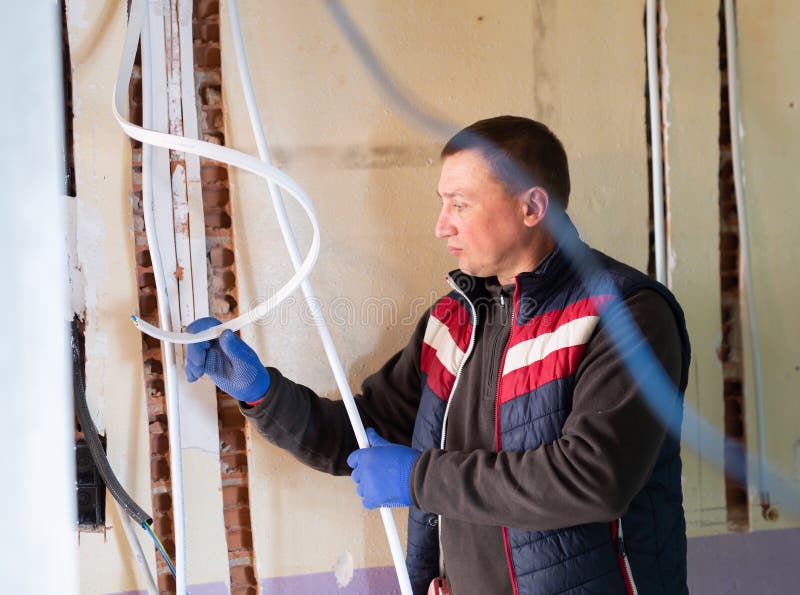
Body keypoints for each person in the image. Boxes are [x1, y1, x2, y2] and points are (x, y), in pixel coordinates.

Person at [185, 116, 691, 595]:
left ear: (531, 207)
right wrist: (262, 394)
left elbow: (592, 479)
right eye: (442, 203)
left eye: (460, 204)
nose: (441, 226)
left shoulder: (625, 315)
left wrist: (417, 479)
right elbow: (364, 439)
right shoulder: (454, 322)